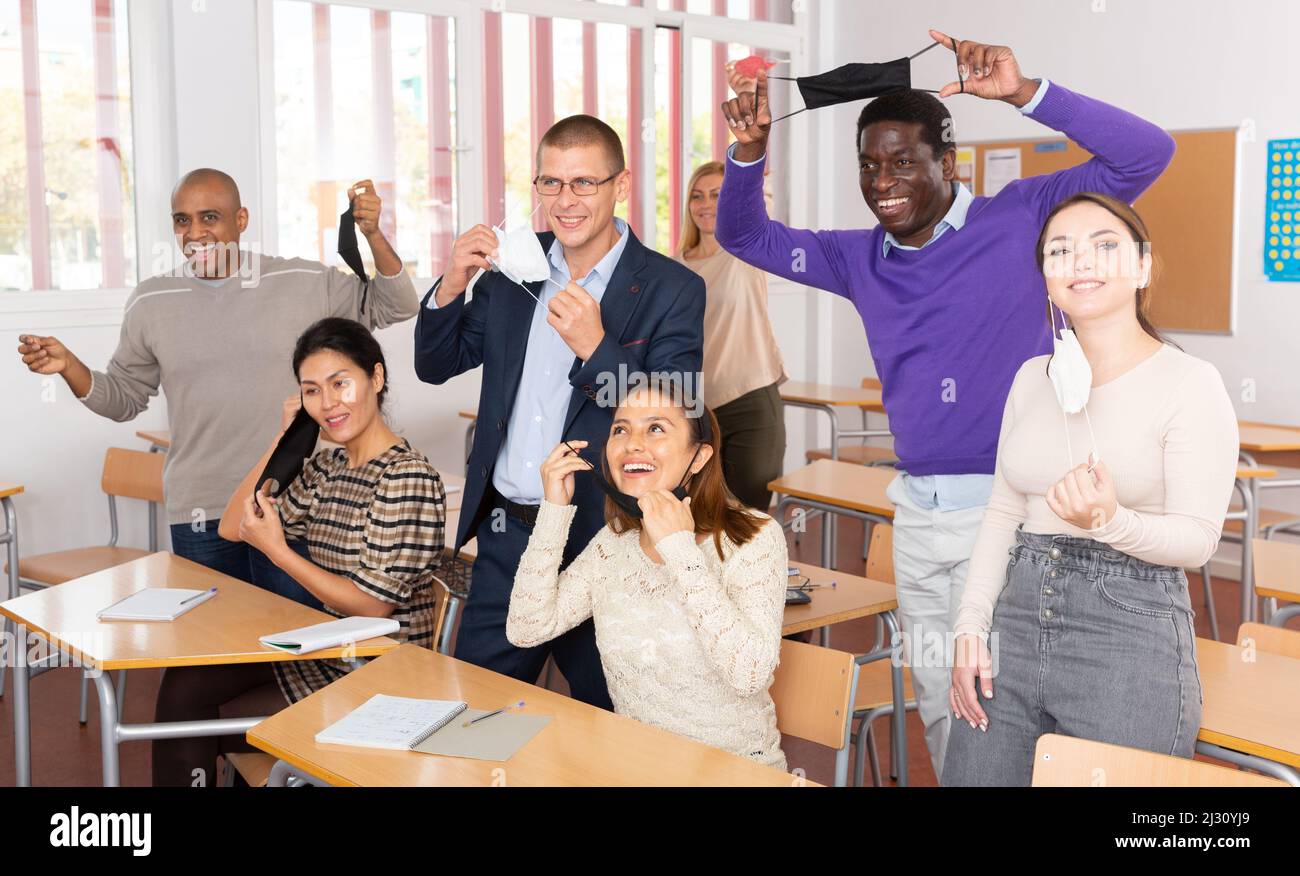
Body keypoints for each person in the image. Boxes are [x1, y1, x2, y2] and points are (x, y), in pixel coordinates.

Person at [716, 30, 1176, 777]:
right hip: (920, 521)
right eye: (869, 165)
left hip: (1014, 515)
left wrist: (1027, 93)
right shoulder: (856, 256)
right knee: (940, 702)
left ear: (948, 163)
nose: (882, 181)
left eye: (903, 161)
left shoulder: (1024, 219)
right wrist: (748, 150)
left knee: (998, 706)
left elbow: (1146, 154)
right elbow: (743, 233)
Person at [942, 193, 1238, 786]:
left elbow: (1199, 541)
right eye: (1060, 250)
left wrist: (1110, 520)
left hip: (1128, 632)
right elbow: (1003, 512)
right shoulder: (1031, 378)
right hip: (1016, 622)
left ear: (1143, 266)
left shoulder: (1190, 383)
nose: (1081, 261)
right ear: (1046, 276)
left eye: (1105, 245)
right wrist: (970, 626)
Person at [414, 115, 705, 709]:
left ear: (621, 184)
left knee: (610, 722)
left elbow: (676, 412)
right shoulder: (514, 272)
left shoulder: (671, 287)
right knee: (475, 711)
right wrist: (451, 283)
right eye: (550, 184)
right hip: (509, 536)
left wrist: (596, 350)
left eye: (583, 184)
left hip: (611, 542)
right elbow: (434, 364)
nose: (565, 202)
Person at [16, 169, 418, 584]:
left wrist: (372, 235)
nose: (195, 232)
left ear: (240, 220)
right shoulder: (152, 301)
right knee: (213, 645)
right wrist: (70, 367)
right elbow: (123, 399)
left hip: (295, 505)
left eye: (210, 217)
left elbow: (398, 305)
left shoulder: (302, 282)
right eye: (182, 220)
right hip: (201, 511)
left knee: (295, 640)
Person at [153, 317, 445, 786]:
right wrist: (284, 439)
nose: (327, 403)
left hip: (375, 672)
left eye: (340, 383)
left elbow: (374, 604)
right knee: (186, 686)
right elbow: (233, 525)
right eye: (312, 391)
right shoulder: (329, 467)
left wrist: (281, 552)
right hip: (322, 652)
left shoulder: (405, 476)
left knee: (193, 712)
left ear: (376, 378)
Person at [507, 382, 787, 769]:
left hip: (734, 771)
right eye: (620, 429)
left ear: (700, 456)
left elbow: (749, 675)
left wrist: (679, 548)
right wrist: (554, 511)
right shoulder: (615, 542)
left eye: (655, 428)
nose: (632, 443)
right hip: (635, 764)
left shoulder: (754, 537)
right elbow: (526, 627)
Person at [675, 160, 788, 511]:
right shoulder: (675, 265)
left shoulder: (745, 252)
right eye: (697, 196)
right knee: (701, 517)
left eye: (716, 195)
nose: (705, 204)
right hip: (696, 409)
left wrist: (749, 168)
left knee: (746, 519)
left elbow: (759, 209)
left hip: (749, 400)